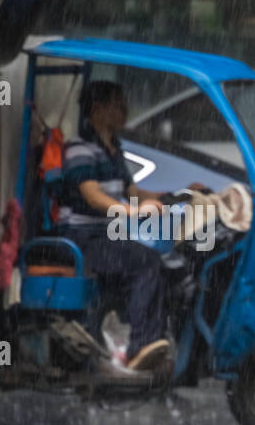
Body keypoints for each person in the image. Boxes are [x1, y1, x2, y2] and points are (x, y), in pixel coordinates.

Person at [57, 81, 176, 370]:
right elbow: (91, 194)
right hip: (83, 238)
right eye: (118, 105)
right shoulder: (80, 147)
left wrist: (176, 195)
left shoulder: (112, 147)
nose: (124, 111)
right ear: (97, 109)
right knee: (145, 262)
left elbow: (133, 192)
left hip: (105, 235)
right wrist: (129, 213)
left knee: (162, 261)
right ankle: (139, 348)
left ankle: (153, 342)